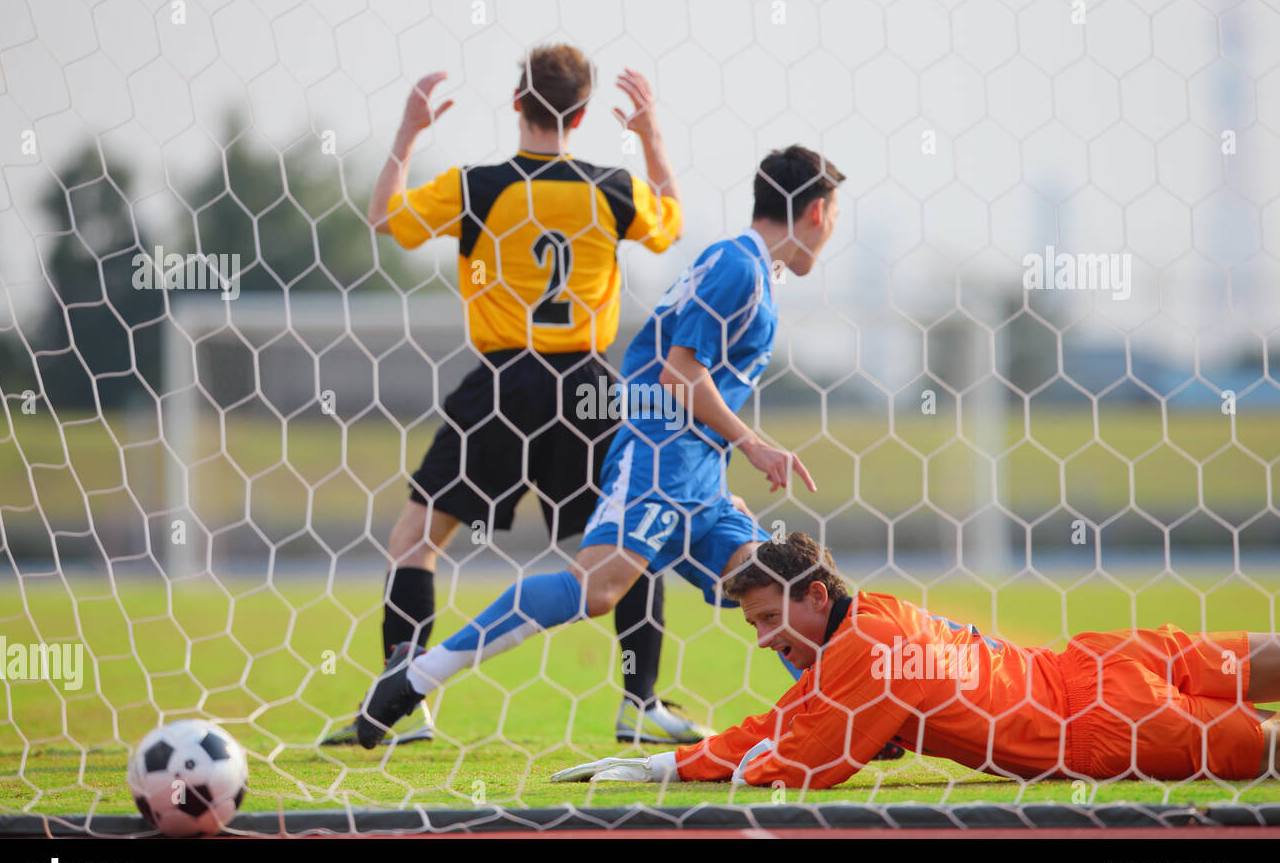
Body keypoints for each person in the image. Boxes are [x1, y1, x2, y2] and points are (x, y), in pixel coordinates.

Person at [356, 147, 845, 749]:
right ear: (818, 212)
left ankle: (842, 709)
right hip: (660, 456)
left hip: (692, 464)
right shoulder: (741, 270)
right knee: (595, 590)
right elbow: (678, 373)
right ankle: (419, 675)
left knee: (771, 582)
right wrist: (751, 443)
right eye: (833, 219)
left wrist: (716, 465)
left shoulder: (740, 264)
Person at [326, 44, 699, 746]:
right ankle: (639, 703)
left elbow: (383, 219)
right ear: (584, 114)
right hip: (589, 389)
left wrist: (408, 133)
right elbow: (672, 222)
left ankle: (406, 703)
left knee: (415, 542)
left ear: (516, 103)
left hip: (502, 384)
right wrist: (651, 138)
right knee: (630, 547)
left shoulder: (478, 186)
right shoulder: (613, 188)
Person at [551, 532, 1280, 788]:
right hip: (1094, 664)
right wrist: (676, 762)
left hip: (1107, 727)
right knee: (1264, 658)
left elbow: (803, 763)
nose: (766, 639)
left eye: (771, 619)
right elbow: (794, 714)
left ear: (813, 594)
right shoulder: (873, 618)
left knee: (1270, 751)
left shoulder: (864, 652)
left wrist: (719, 767)